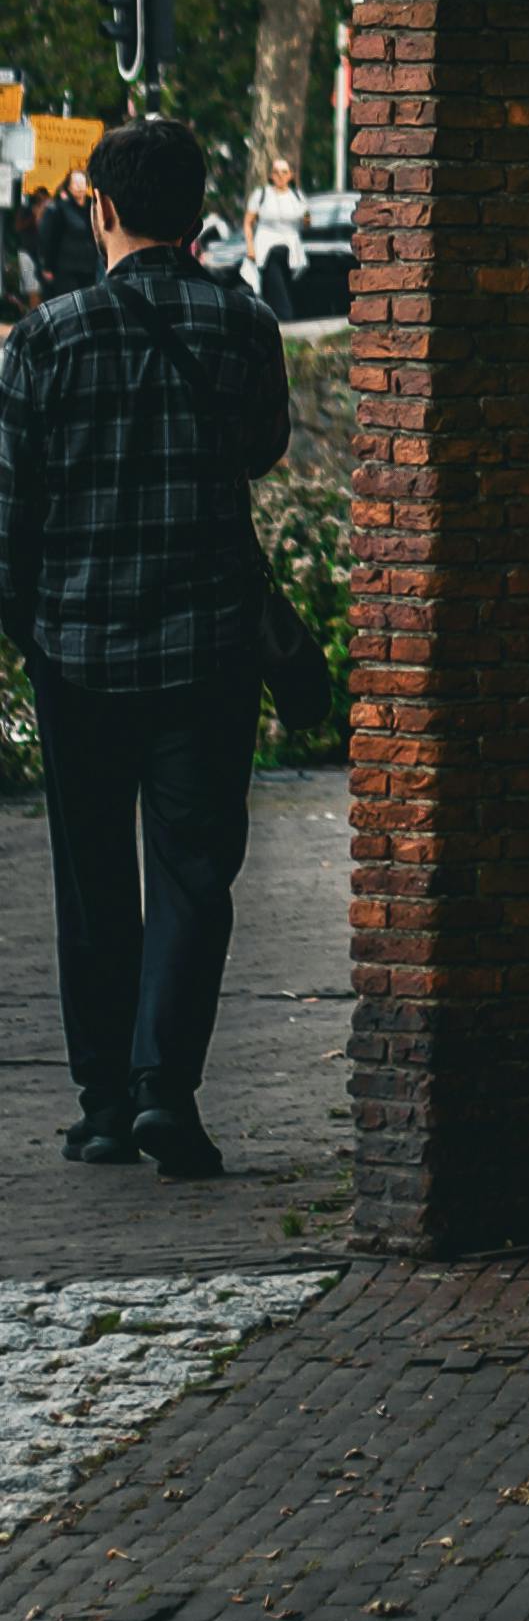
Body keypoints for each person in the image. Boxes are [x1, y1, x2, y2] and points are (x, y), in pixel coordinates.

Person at [0, 114, 287, 1177]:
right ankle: (169, 1085)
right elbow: (260, 452)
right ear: (194, 209)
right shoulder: (243, 325)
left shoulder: (46, 338)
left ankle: (104, 1104)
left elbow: (9, 511)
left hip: (76, 654)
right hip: (207, 649)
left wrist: (31, 624)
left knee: (89, 883)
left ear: (104, 209)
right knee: (194, 872)